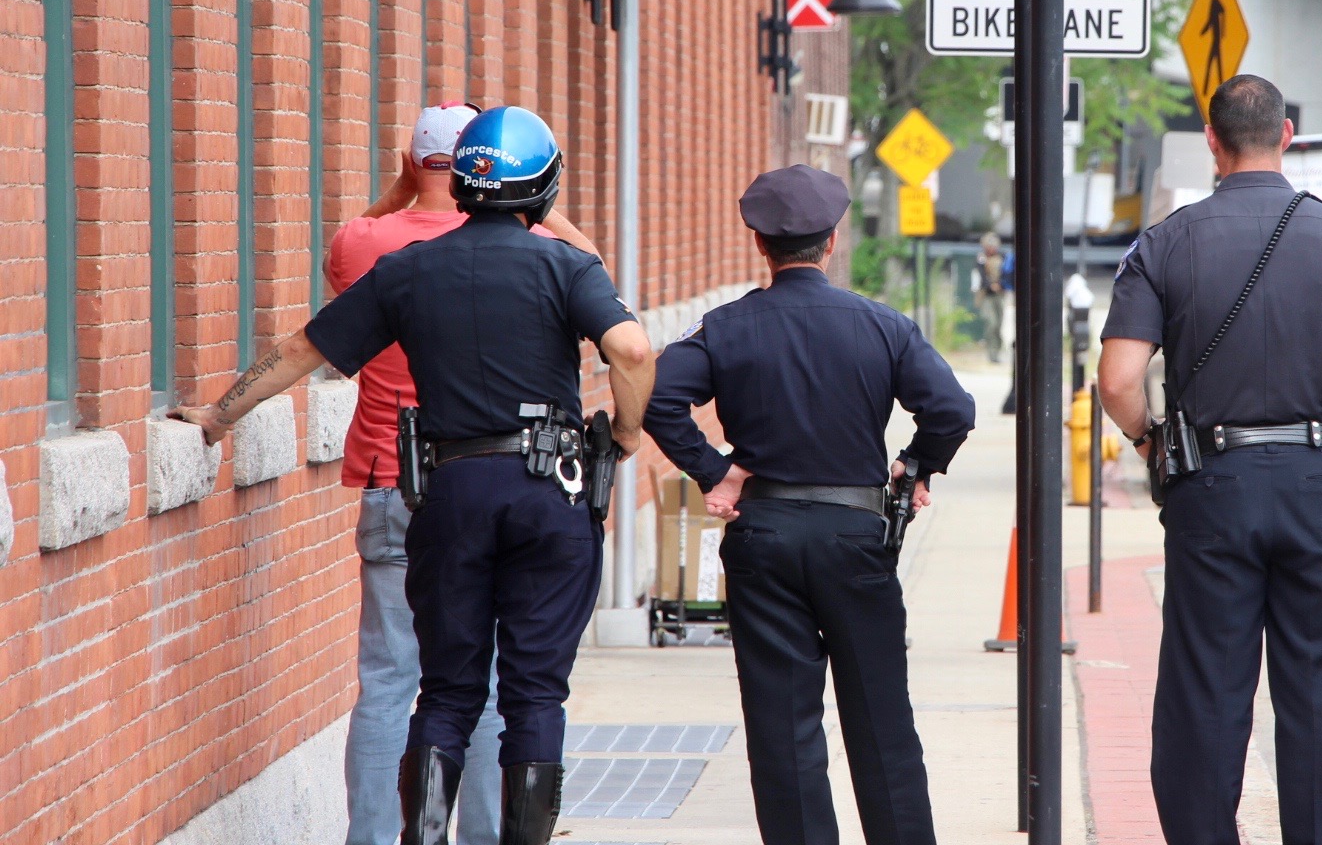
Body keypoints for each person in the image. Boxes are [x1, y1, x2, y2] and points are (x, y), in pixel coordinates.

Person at [172, 105, 656, 845]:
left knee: (447, 691)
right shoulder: (565, 265)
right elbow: (633, 350)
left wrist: (217, 416)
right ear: (544, 189)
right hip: (546, 495)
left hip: (450, 489)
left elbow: (304, 350)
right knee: (531, 695)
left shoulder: (406, 269)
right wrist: (622, 434)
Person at [1096, 74, 1322, 845]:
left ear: (1212, 142)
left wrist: (1152, 444)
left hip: (1211, 487)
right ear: (1287, 134)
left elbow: (1117, 380)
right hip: (1319, 483)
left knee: (1205, 686)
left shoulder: (1164, 244)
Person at [641, 164, 976, 845]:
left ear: (759, 245)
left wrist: (716, 472)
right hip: (855, 536)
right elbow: (952, 409)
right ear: (831, 241)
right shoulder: (881, 325)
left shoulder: (728, 327)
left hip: (762, 535)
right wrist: (917, 465)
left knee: (782, 728)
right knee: (882, 720)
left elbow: (655, 397)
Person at [328, 102, 602, 845]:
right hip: (517, 477)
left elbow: (359, 244)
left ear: (417, 162)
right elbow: (593, 269)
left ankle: (379, 837)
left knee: (397, 681)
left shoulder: (370, 249)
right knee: (491, 688)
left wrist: (404, 186)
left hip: (402, 482)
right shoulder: (545, 257)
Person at [972, 231, 1007, 363]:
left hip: (1000, 295)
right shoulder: (981, 258)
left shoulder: (1002, 257)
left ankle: (997, 350)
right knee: (991, 323)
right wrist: (990, 285)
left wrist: (1001, 285)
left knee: (999, 324)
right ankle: (992, 354)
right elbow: (980, 275)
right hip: (986, 295)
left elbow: (1007, 272)